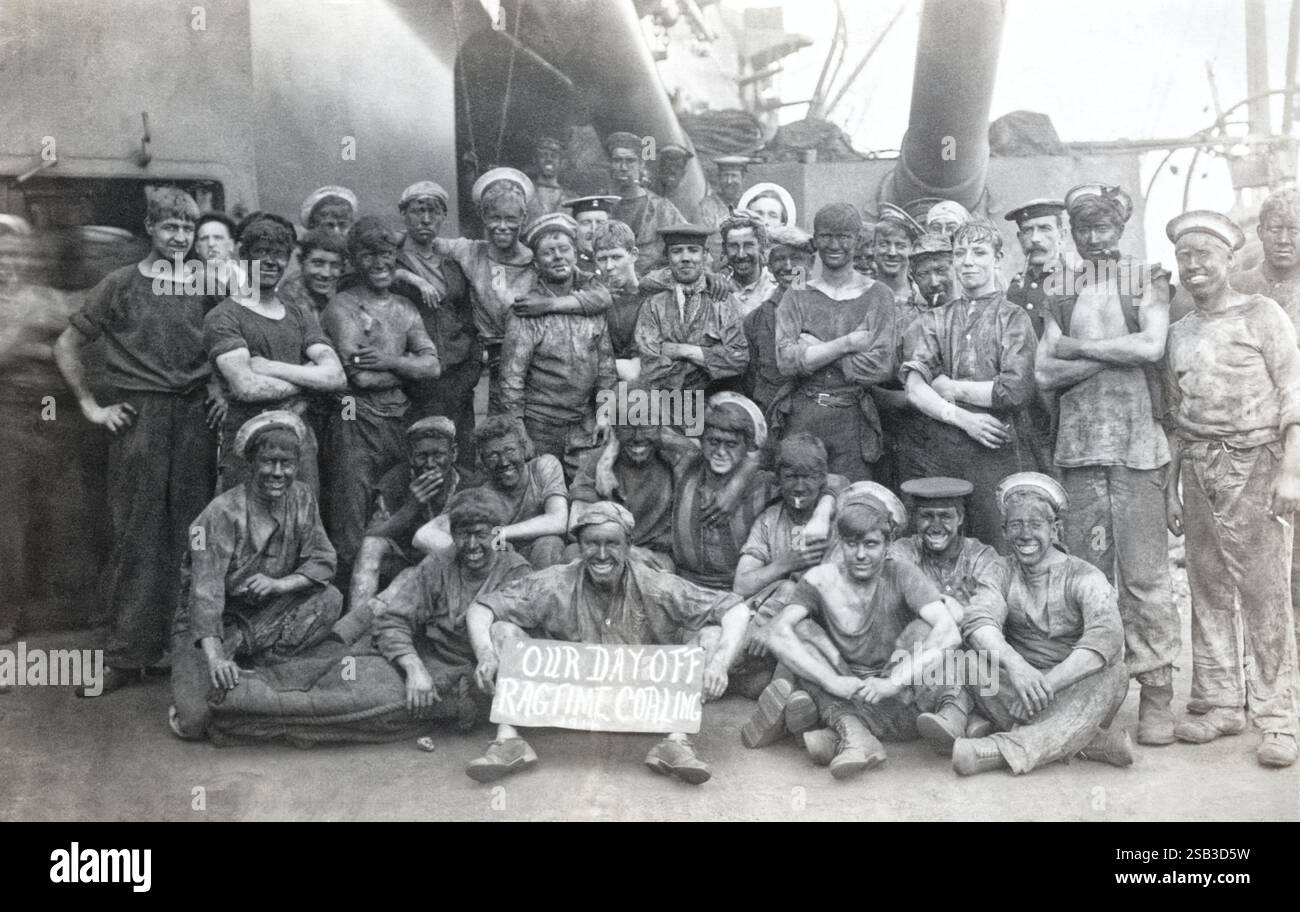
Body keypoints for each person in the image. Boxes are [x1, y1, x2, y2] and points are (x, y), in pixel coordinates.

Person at [54, 186, 217, 694]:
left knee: (192, 534)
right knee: (136, 535)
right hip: (140, 421)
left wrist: (219, 387)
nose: (180, 237)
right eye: (170, 227)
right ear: (150, 228)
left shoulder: (208, 283)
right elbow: (66, 343)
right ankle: (125, 655)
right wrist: (91, 406)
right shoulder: (119, 283)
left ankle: (177, 649)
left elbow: (233, 337)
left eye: (188, 229)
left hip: (193, 420)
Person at [1033, 184, 1180, 745]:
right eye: (1085, 229)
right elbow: (1045, 374)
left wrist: (1081, 350)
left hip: (1139, 450)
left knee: (1145, 579)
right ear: (1073, 232)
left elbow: (1151, 348)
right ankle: (1094, 694)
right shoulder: (1061, 286)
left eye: (1104, 229)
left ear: (1120, 230)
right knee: (1088, 580)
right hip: (1079, 451)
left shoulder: (1147, 278)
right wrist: (1107, 350)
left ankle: (1157, 696)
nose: (1095, 239)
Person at [463, 501, 750, 784]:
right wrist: (487, 655)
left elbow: (736, 609)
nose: (601, 554)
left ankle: (675, 742)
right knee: (502, 630)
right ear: (578, 546)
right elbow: (481, 609)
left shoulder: (655, 585)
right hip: (572, 698)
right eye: (591, 544)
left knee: (712, 636)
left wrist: (720, 664)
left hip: (641, 698)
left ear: (628, 546)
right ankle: (508, 741)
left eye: (612, 544)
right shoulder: (554, 583)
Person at [1163, 210, 1300, 768]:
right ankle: (1221, 702)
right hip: (1197, 468)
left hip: (1258, 463)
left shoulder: (1263, 315)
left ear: (1227, 261)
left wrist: (1292, 470)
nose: (1193, 267)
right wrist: (1172, 488)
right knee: (1209, 586)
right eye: (1184, 257)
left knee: (1266, 594)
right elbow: (1176, 416)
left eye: (1204, 256)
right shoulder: (1178, 332)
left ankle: (1278, 717)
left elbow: (1294, 392)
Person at [930, 473, 1133, 776]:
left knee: (1114, 674)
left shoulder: (1085, 576)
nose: (1025, 535)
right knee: (964, 660)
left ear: (1055, 530)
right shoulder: (1000, 571)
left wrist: (1046, 686)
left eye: (1036, 525)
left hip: (1075, 687)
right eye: (1016, 525)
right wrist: (1016, 666)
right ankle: (1088, 741)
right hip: (1017, 688)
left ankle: (999, 748)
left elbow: (1105, 640)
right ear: (1004, 530)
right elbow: (979, 620)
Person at [765, 483, 963, 778]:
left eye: (870, 544)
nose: (860, 554)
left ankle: (842, 737)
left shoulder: (902, 573)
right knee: (801, 632)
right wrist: (831, 680)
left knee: (926, 629)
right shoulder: (820, 579)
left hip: (901, 701)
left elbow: (949, 632)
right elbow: (776, 632)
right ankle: (854, 735)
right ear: (839, 542)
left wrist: (894, 681)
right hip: (846, 694)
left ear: (887, 545)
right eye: (851, 543)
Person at [169, 411, 344, 737]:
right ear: (251, 463)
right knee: (193, 722)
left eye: (287, 463)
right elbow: (204, 595)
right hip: (216, 622)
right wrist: (216, 659)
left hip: (266, 612)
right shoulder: (220, 514)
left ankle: (261, 661)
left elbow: (324, 561)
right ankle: (234, 664)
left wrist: (280, 585)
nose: (278, 472)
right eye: (269, 461)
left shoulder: (302, 497)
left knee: (330, 599)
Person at [900, 219, 1038, 550]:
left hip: (997, 447)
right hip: (944, 448)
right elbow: (915, 387)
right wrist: (964, 418)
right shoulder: (934, 320)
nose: (968, 261)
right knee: (943, 545)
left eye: (979, 252)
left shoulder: (1013, 317)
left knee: (999, 543)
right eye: (960, 253)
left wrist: (951, 387)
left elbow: (1014, 390)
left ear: (998, 257)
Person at [320, 217, 441, 583]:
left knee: (397, 504)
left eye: (387, 254)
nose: (380, 264)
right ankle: (344, 603)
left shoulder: (405, 307)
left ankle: (385, 592)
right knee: (351, 510)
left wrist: (389, 360)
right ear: (355, 261)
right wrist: (408, 367)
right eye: (369, 255)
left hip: (398, 418)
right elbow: (360, 376)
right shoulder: (343, 306)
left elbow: (433, 366)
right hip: (353, 416)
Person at [432, 168, 610, 409]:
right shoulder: (470, 252)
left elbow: (600, 295)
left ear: (523, 218)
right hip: (493, 363)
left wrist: (549, 304)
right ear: (483, 217)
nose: (502, 226)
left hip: (541, 363)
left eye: (511, 219)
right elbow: (419, 242)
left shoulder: (540, 258)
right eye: (495, 218)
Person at [1218, 188, 1300, 682]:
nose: (1285, 239)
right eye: (1276, 228)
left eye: (1295, 229)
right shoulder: (1243, 289)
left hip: (1299, 429)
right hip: (1250, 436)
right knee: (1255, 559)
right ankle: (1265, 676)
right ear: (1260, 232)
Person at [205, 211, 346, 495]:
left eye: (279, 254)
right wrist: (307, 383)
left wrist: (269, 366)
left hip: (299, 444)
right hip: (248, 445)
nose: (271, 261)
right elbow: (247, 387)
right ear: (243, 258)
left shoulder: (300, 314)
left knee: (300, 526)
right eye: (261, 252)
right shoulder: (224, 316)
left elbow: (337, 377)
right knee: (248, 530)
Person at [369, 487, 531, 727]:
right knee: (366, 691)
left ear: (498, 535)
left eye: (480, 534)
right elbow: (393, 620)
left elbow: (523, 647)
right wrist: (414, 668)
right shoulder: (440, 562)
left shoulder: (516, 571)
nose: (471, 545)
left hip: (483, 679)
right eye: (463, 535)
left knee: (388, 710)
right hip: (432, 660)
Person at [775, 202, 895, 481]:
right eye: (826, 235)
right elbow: (786, 361)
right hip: (804, 416)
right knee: (800, 494)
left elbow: (879, 366)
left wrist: (816, 349)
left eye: (844, 236)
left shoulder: (879, 295)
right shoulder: (797, 292)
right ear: (815, 240)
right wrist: (848, 344)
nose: (834, 244)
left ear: (858, 240)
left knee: (850, 505)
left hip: (852, 421)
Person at [499, 212, 616, 479]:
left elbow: (606, 368)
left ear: (575, 254)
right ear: (537, 263)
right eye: (548, 252)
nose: (558, 257)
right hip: (540, 427)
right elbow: (511, 379)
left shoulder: (592, 303)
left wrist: (604, 415)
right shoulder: (525, 311)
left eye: (564, 249)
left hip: (585, 425)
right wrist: (519, 432)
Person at [345, 416, 478, 622]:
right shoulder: (396, 480)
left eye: (438, 455)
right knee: (371, 546)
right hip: (403, 558)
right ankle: (355, 616)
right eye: (422, 456)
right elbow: (372, 534)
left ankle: (355, 628)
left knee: (409, 575)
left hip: (449, 569)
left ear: (454, 453)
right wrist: (410, 507)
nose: (430, 464)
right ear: (410, 455)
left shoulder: (469, 486)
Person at [393, 181, 481, 467]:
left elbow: (468, 323)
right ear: (404, 214)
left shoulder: (452, 266)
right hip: (414, 384)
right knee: (421, 458)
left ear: (443, 218)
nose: (426, 219)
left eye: (434, 212)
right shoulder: (392, 264)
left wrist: (470, 372)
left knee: (461, 457)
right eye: (419, 211)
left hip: (456, 382)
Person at [415, 415, 568, 569]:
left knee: (549, 543)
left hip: (540, 556)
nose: (504, 462)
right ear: (483, 461)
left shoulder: (543, 467)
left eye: (510, 450)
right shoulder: (481, 493)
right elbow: (422, 536)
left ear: (523, 448)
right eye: (493, 455)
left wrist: (498, 533)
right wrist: (467, 549)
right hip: (502, 560)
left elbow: (558, 520)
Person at [634, 223, 749, 405]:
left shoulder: (723, 301)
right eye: (677, 251)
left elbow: (739, 359)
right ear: (667, 256)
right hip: (666, 406)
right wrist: (710, 361)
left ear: (704, 255)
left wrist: (682, 351)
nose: (686, 258)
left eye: (693, 250)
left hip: (715, 403)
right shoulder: (653, 305)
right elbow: (650, 364)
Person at [1005, 197, 1069, 475]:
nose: (1035, 239)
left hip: (1064, 406)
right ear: (1020, 239)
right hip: (1025, 412)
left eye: (1045, 229)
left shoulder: (1078, 282)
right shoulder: (1013, 291)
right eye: (1028, 231)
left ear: (1062, 235)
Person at [743, 225, 814, 417]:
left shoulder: (832, 309)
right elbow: (751, 380)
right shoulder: (755, 320)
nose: (788, 266)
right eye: (780, 259)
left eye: (796, 258)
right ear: (769, 265)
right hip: (773, 416)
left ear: (811, 262)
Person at [894, 477, 999, 605]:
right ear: (916, 518)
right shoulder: (904, 550)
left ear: (960, 518)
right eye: (927, 516)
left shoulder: (980, 556)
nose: (936, 527)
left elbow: (989, 607)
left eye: (945, 517)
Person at [606, 132, 686, 275]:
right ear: (610, 164)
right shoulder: (602, 204)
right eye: (617, 160)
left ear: (641, 164)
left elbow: (690, 242)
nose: (623, 167)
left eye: (630, 161)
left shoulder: (661, 208)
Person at [591, 220, 643, 380]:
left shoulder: (651, 298)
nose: (608, 266)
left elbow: (635, 371)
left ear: (633, 255)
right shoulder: (593, 298)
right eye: (602, 259)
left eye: (616, 257)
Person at [278, 229, 348, 318]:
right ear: (301, 261)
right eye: (318, 263)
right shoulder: (290, 299)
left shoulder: (338, 291)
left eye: (335, 265)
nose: (326, 273)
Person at [720, 210, 777, 317]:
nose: (741, 255)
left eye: (748, 245)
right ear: (724, 249)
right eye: (733, 246)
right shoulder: (719, 289)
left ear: (761, 246)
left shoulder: (775, 289)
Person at [872, 205, 922, 306]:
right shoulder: (857, 295)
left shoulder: (926, 297)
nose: (892, 253)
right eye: (884, 244)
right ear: (873, 248)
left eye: (900, 246)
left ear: (912, 251)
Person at [562, 194, 620, 277]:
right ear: (574, 228)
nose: (594, 230)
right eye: (586, 223)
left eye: (600, 222)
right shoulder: (569, 265)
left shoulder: (619, 263)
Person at [524, 136, 575, 222]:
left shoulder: (571, 198)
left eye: (554, 156)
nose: (549, 159)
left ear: (561, 162)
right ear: (535, 160)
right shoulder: (526, 194)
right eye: (544, 155)